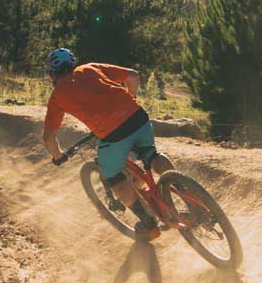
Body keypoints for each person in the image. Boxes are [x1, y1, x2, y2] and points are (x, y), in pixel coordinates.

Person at [41, 47, 171, 238]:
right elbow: (133, 76)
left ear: (52, 74)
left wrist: (58, 156)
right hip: (139, 117)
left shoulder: (57, 96)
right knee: (152, 156)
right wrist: (131, 99)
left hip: (113, 134)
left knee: (112, 176)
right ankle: (187, 195)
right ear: (72, 63)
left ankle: (149, 224)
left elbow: (48, 137)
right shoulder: (90, 68)